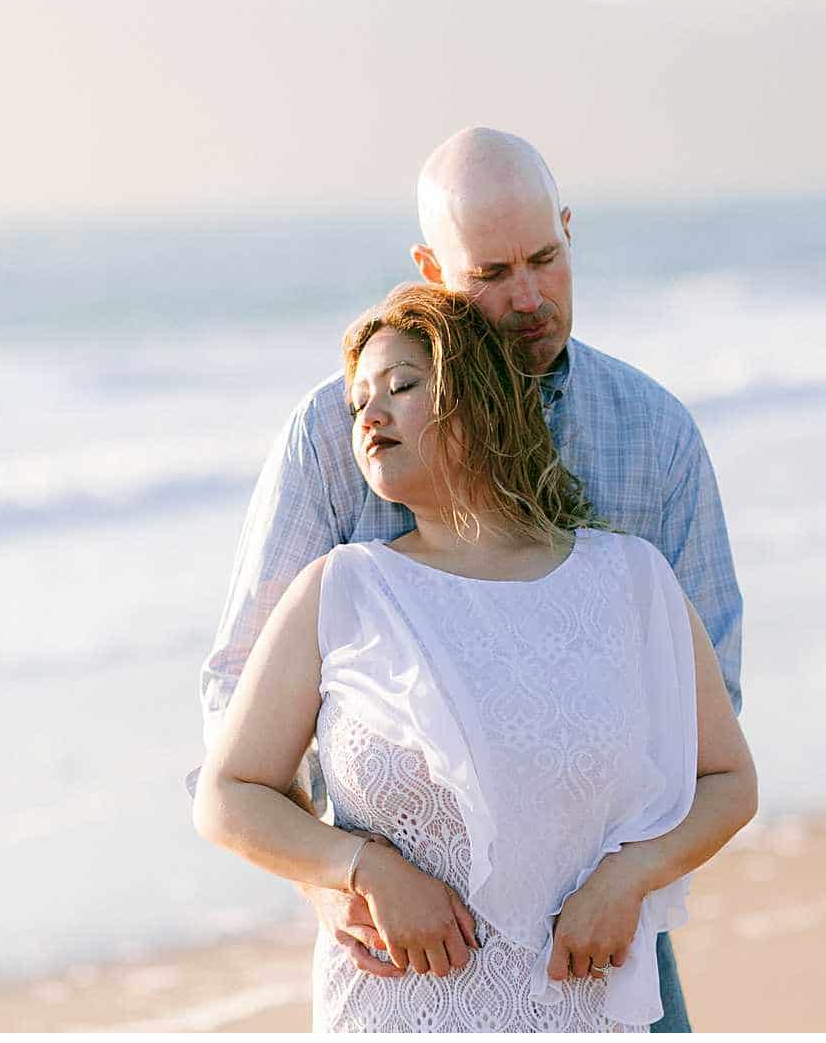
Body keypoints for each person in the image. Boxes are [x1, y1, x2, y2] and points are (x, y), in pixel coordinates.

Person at [191, 126, 744, 1030]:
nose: (528, 297)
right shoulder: (339, 438)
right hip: (404, 947)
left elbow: (707, 712)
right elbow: (238, 703)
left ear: (569, 231)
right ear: (430, 269)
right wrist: (332, 875)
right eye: (490, 275)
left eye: (545, 258)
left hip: (601, 937)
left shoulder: (654, 435)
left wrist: (631, 878)